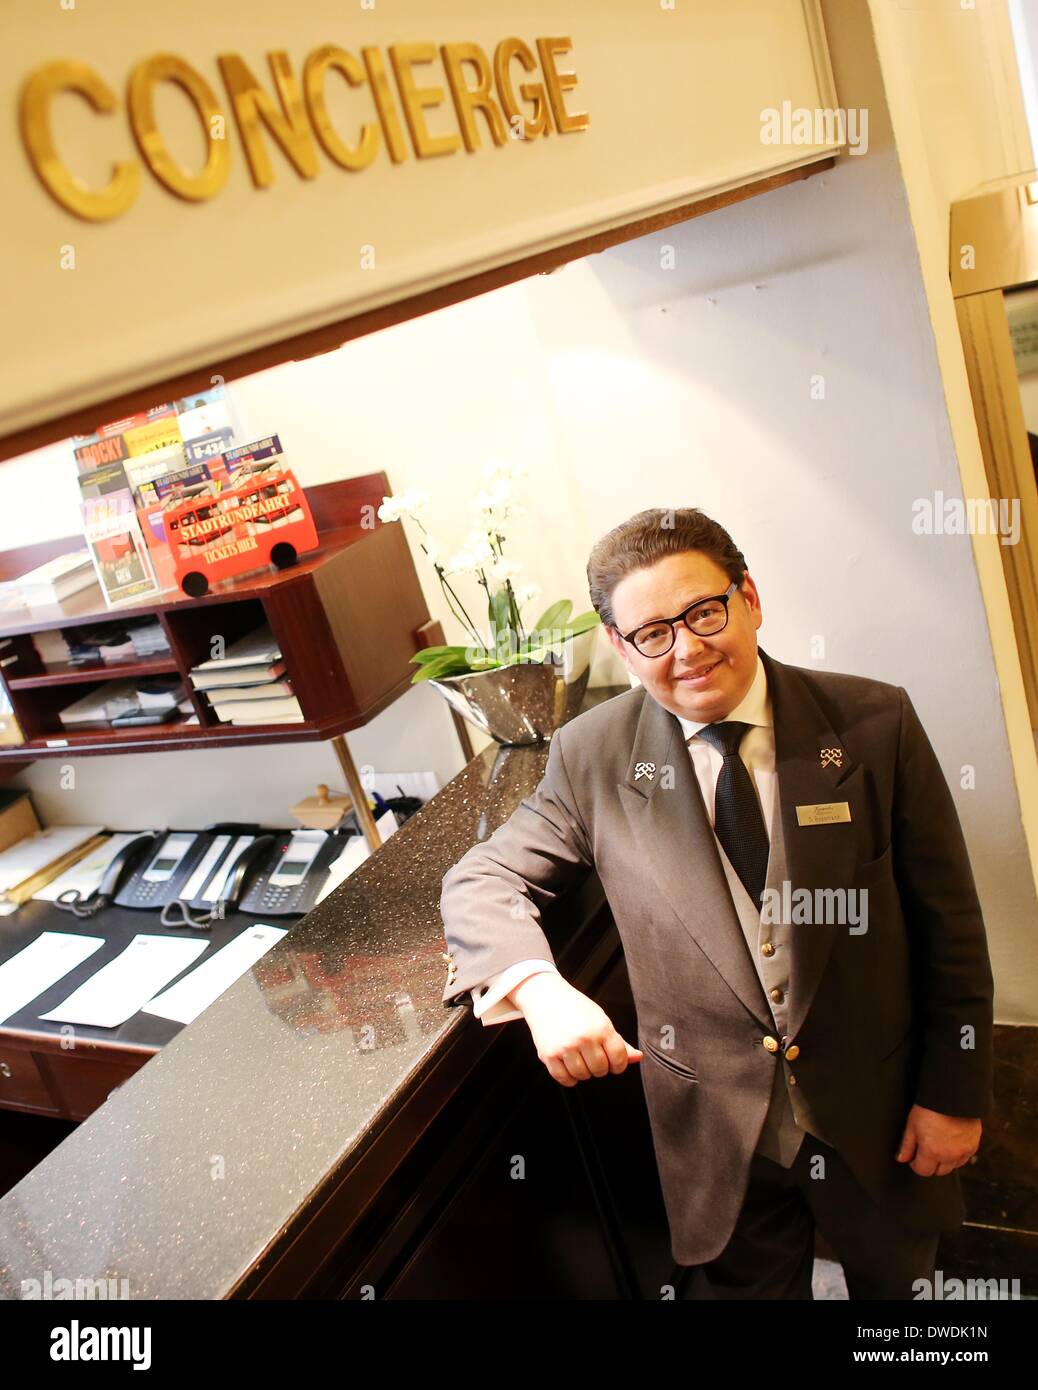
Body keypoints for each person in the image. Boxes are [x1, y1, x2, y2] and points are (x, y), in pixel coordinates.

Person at [439, 507, 994, 1299]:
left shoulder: (874, 725)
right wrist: (539, 990)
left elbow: (953, 931)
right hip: (719, 1140)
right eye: (653, 634)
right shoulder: (591, 755)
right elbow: (481, 878)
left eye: (704, 612)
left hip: (881, 1114)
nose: (689, 649)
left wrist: (954, 1095)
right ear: (623, 650)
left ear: (749, 597)